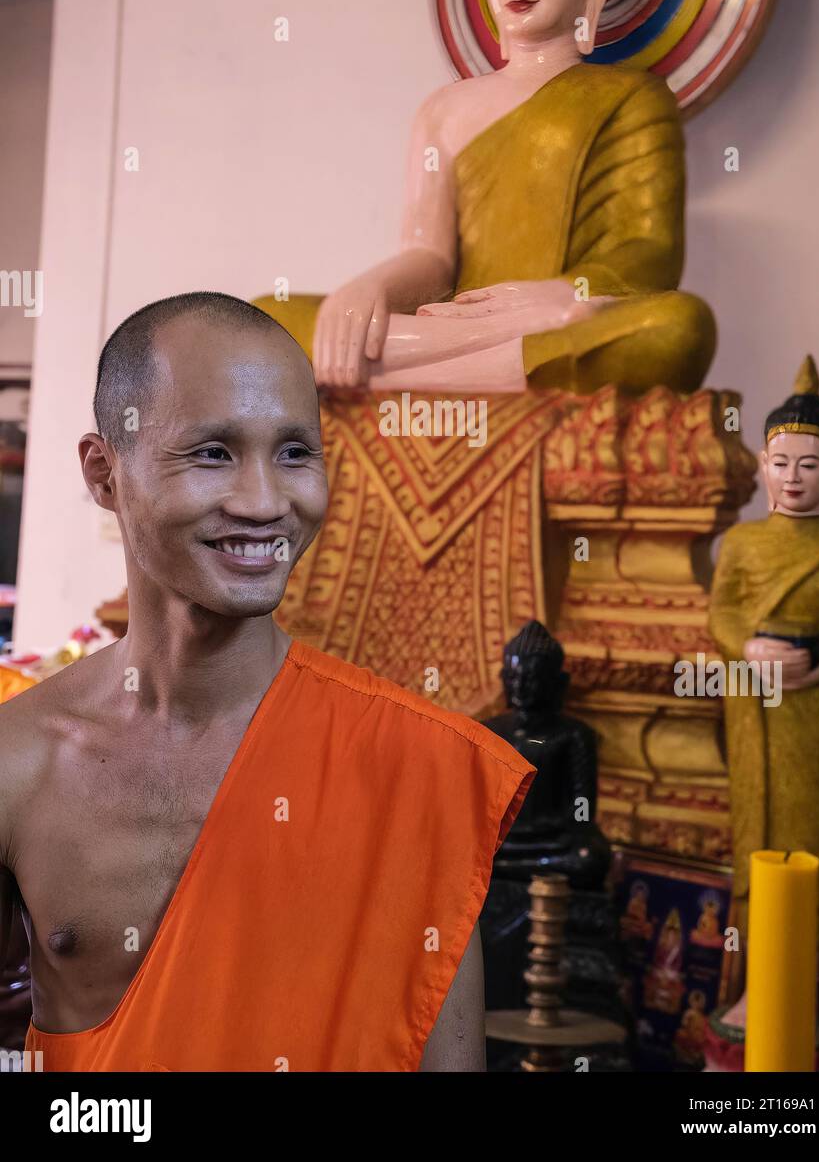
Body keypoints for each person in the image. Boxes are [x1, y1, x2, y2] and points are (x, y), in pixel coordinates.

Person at [0, 292, 534, 1071]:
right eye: (212, 452)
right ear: (104, 472)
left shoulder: (413, 766)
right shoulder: (20, 762)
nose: (263, 503)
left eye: (294, 453)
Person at [255, 0, 715, 395]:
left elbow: (649, 255)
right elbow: (429, 256)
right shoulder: (443, 109)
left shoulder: (633, 96)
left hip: (560, 317)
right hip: (471, 329)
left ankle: (386, 380)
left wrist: (564, 296)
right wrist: (367, 291)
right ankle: (487, 369)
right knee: (268, 321)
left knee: (677, 327)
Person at [709, 356, 819, 1008]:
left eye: (809, 464)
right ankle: (747, 987)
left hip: (817, 708)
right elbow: (720, 613)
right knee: (754, 830)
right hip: (752, 701)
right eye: (781, 463)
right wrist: (747, 645)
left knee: (808, 842)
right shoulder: (743, 544)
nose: (793, 477)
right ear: (763, 468)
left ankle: (792, 992)